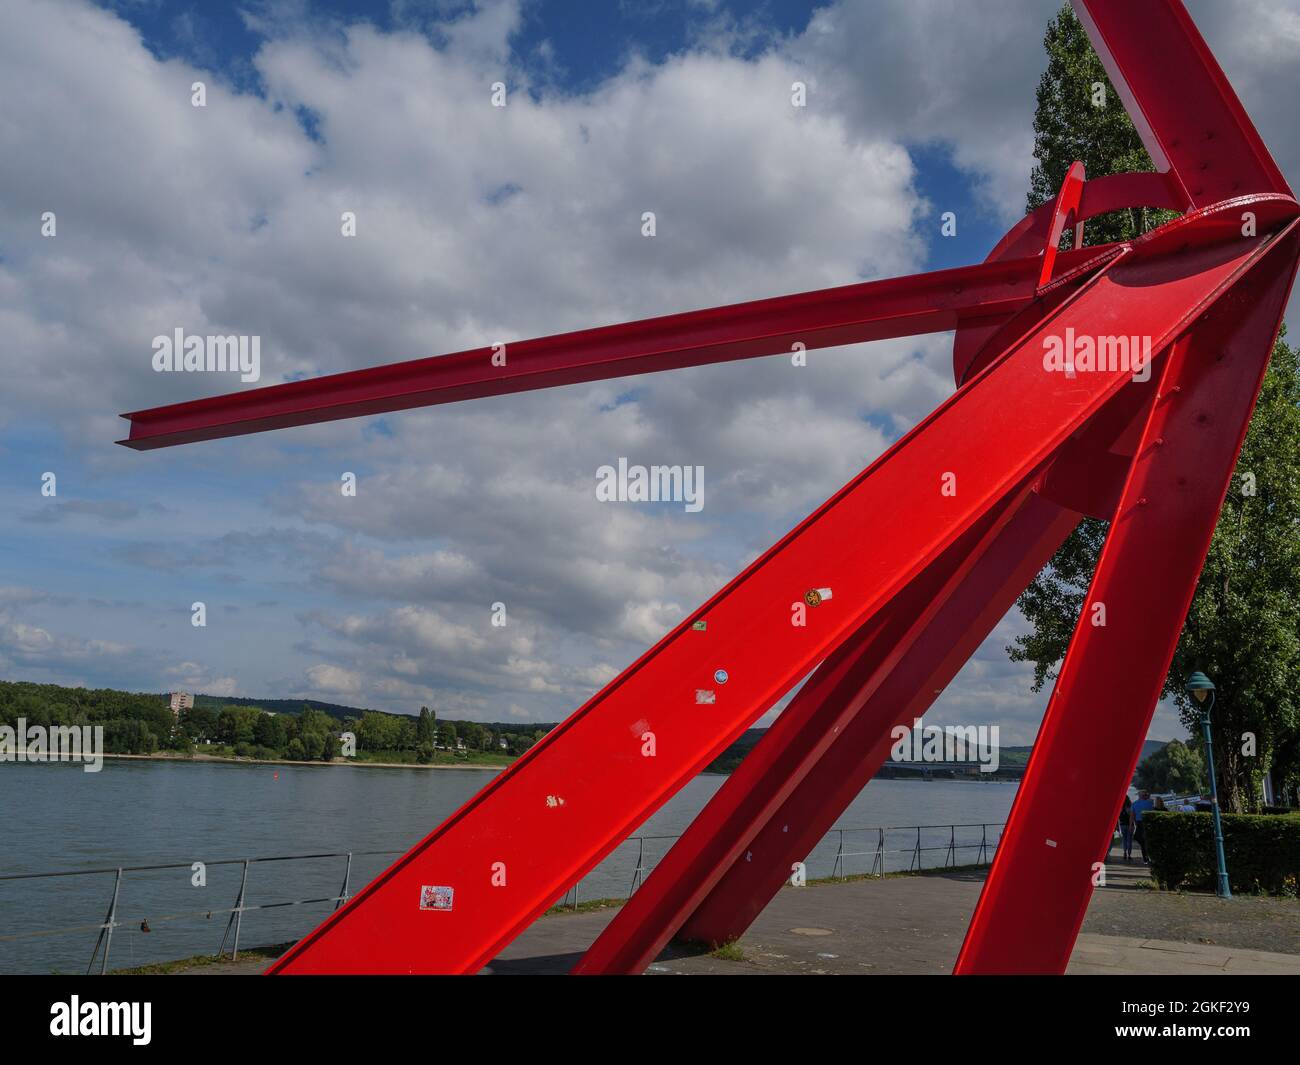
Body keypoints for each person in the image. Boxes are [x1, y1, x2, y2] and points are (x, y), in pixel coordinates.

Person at [1131, 790, 1155, 864]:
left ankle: (1146, 858)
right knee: (1144, 840)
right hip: (1147, 822)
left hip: (1140, 823)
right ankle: (1147, 857)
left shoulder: (1135, 803)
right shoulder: (1150, 802)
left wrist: (1132, 824)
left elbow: (1132, 815)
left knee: (1140, 839)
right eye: (1145, 794)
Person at [1118, 794, 1134, 861]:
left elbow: (1118, 818)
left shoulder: (1120, 807)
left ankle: (1124, 852)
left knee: (1124, 840)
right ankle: (1129, 855)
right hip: (1129, 825)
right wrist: (1131, 825)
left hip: (1122, 825)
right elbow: (1131, 817)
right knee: (1129, 840)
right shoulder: (1130, 807)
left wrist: (1118, 827)